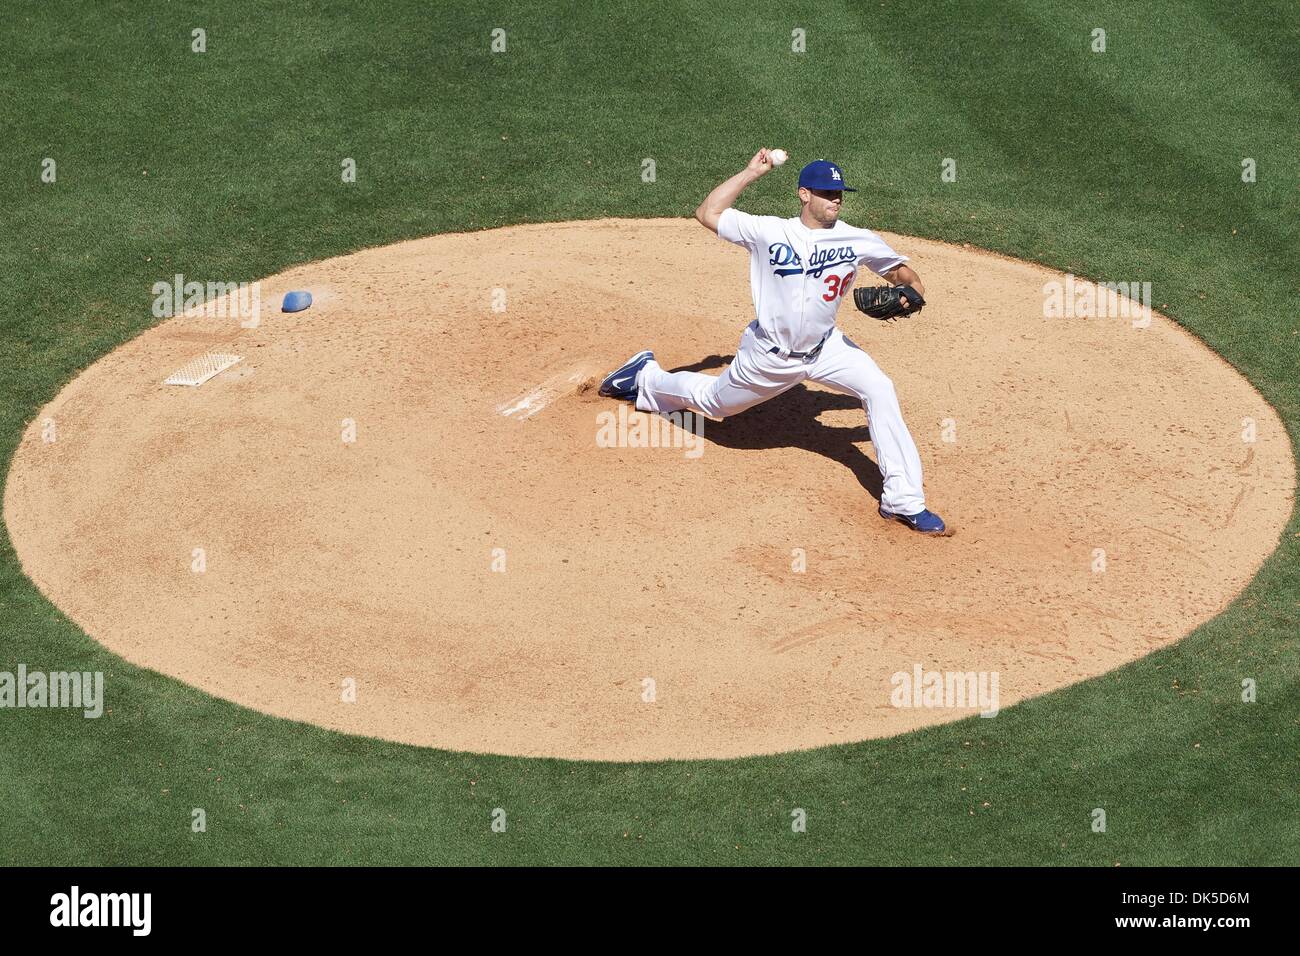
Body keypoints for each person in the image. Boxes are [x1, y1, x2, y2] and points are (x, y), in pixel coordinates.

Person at [598, 149, 946, 535]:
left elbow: (904, 274)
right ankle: (645, 377)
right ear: (803, 195)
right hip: (769, 356)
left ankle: (904, 500)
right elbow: (707, 213)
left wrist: (911, 293)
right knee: (716, 404)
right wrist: (751, 172)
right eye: (826, 193)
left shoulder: (858, 240)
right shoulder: (768, 231)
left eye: (839, 194)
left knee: (879, 388)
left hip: (828, 349)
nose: (835, 200)